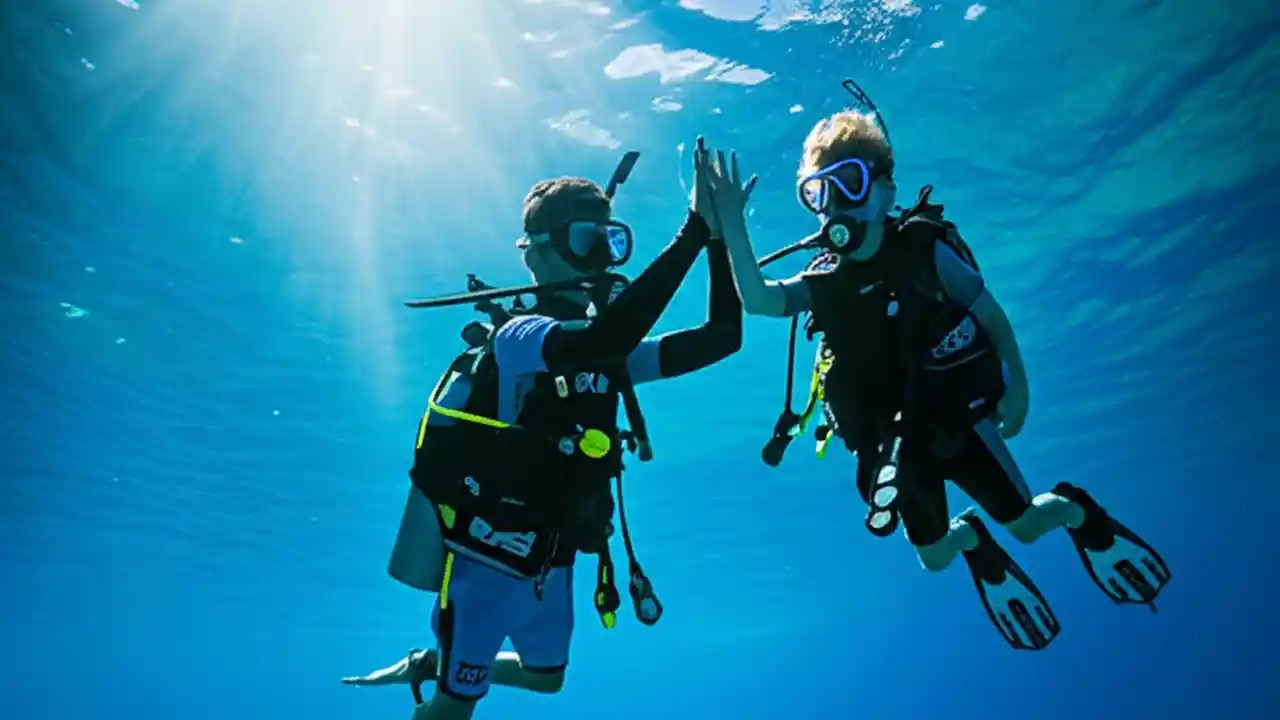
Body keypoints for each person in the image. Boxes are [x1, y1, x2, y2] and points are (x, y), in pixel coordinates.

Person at [696, 86, 1171, 651]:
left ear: (885, 191)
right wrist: (732, 225)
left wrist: (1017, 388)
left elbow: (991, 316)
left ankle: (1077, 512)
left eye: (849, 184)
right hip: (891, 444)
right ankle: (972, 541)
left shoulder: (925, 252)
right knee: (934, 558)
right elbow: (759, 300)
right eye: (817, 194)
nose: (834, 207)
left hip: (958, 421)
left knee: (1025, 526)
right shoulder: (825, 282)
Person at [342, 143, 749, 718]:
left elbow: (721, 338)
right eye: (586, 241)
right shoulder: (519, 339)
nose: (601, 260)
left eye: (610, 242)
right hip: (486, 567)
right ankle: (446, 676)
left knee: (547, 679)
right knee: (453, 712)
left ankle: (432, 661)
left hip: (551, 564)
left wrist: (718, 241)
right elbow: (602, 339)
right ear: (536, 254)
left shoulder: (607, 356)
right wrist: (693, 231)